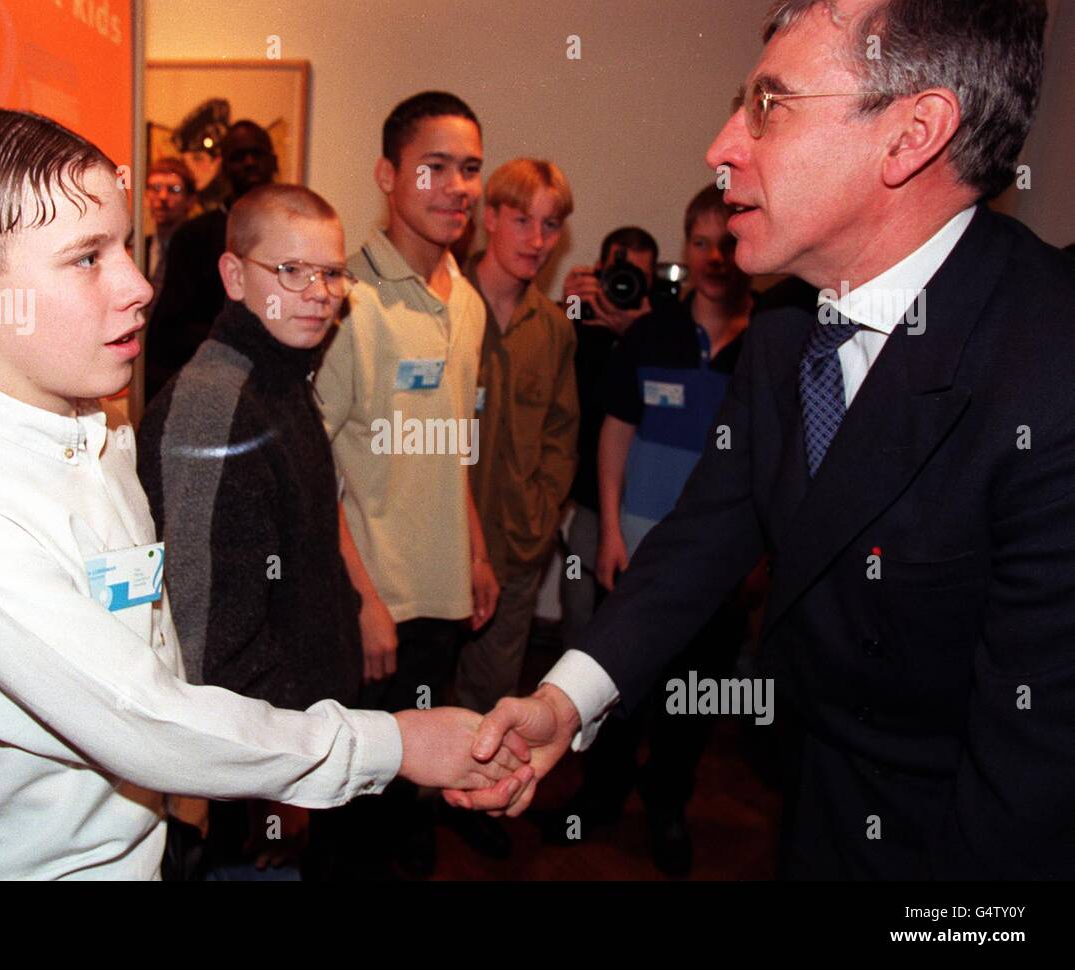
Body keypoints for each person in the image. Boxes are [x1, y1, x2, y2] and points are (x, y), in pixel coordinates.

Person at [457, 0, 1075, 880]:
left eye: (769, 107)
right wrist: (568, 696)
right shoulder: (787, 325)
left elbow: (1035, 773)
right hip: (814, 806)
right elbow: (710, 530)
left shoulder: (1048, 368)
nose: (720, 147)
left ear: (913, 135)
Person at [0, 107, 531, 880]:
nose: (139, 286)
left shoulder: (100, 428)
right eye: (86, 258)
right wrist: (395, 743)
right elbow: (143, 718)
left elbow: (162, 637)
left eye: (122, 247)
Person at [137, 184, 365, 880]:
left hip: (306, 735)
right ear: (235, 277)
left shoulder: (281, 371)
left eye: (331, 273)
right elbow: (214, 649)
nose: (318, 292)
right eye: (291, 271)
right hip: (263, 776)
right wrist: (287, 780)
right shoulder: (214, 409)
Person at [545, 184, 758, 875]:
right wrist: (607, 530)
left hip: (721, 569)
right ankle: (598, 799)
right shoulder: (651, 333)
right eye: (700, 243)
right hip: (633, 551)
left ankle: (667, 807)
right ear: (685, 250)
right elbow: (615, 433)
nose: (714, 257)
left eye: (727, 242)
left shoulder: (771, 346)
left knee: (691, 705)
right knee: (618, 692)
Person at [313, 91, 498, 878]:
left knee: (415, 799)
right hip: (371, 605)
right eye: (434, 167)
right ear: (388, 175)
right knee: (354, 810)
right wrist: (362, 600)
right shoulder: (345, 301)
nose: (457, 187)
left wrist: (476, 554)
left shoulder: (469, 301)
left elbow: (452, 444)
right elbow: (312, 470)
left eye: (470, 169)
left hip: (440, 598)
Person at [444, 158, 579, 858]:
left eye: (550, 224)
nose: (535, 237)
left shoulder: (553, 329)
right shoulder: (444, 306)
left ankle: (472, 805)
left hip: (519, 548)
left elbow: (563, 431)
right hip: (437, 548)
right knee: (423, 683)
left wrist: (543, 507)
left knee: (492, 688)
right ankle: (408, 814)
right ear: (489, 218)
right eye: (521, 218)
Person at [559, 227, 659, 648]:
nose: (623, 286)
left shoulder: (663, 333)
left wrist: (639, 336)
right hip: (588, 499)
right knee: (579, 606)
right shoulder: (579, 322)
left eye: (636, 276)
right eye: (617, 274)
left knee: (637, 617)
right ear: (599, 272)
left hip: (647, 503)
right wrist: (565, 311)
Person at [143, 121, 280, 402]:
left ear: (274, 161)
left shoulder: (296, 232)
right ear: (223, 167)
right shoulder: (194, 236)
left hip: (277, 383)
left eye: (257, 154)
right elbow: (169, 332)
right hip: (207, 387)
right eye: (238, 157)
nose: (249, 163)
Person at [142, 157, 196, 300]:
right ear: (146, 195)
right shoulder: (141, 248)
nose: (163, 197)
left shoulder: (199, 251)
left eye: (174, 190)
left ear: (190, 200)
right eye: (156, 188)